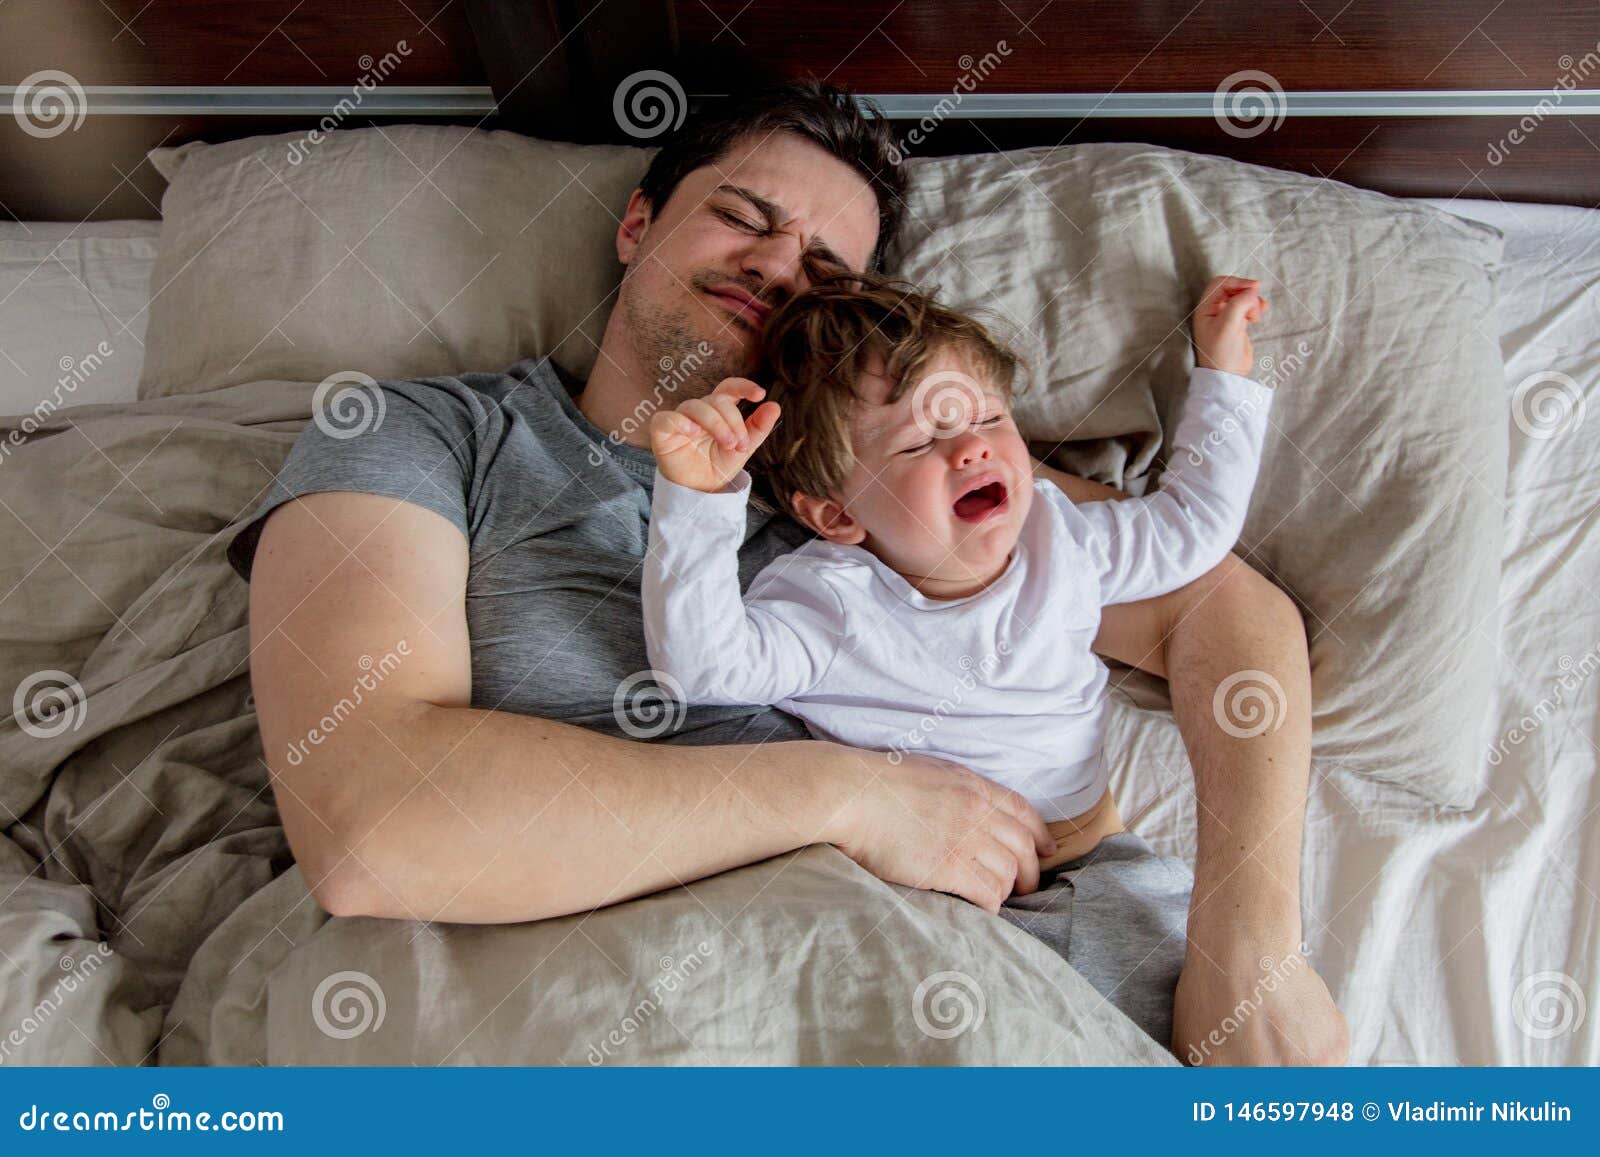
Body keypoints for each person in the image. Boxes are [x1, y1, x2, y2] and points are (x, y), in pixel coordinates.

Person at [230, 78, 1348, 1064]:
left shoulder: (889, 473)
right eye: (741, 220)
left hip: (953, 976)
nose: (774, 268)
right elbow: (372, 822)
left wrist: (1251, 942)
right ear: (636, 223)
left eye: (821, 268)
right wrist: (850, 794)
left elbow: (1221, 605)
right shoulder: (429, 434)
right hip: (603, 993)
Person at [640, 271, 1272, 1047]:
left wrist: (1222, 375)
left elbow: (1192, 530)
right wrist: (699, 501)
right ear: (837, 513)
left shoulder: (1062, 540)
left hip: (1090, 865)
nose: (972, 444)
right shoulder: (832, 604)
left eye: (990, 416)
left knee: (1217, 1039)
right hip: (925, 900)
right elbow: (702, 669)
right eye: (919, 440)